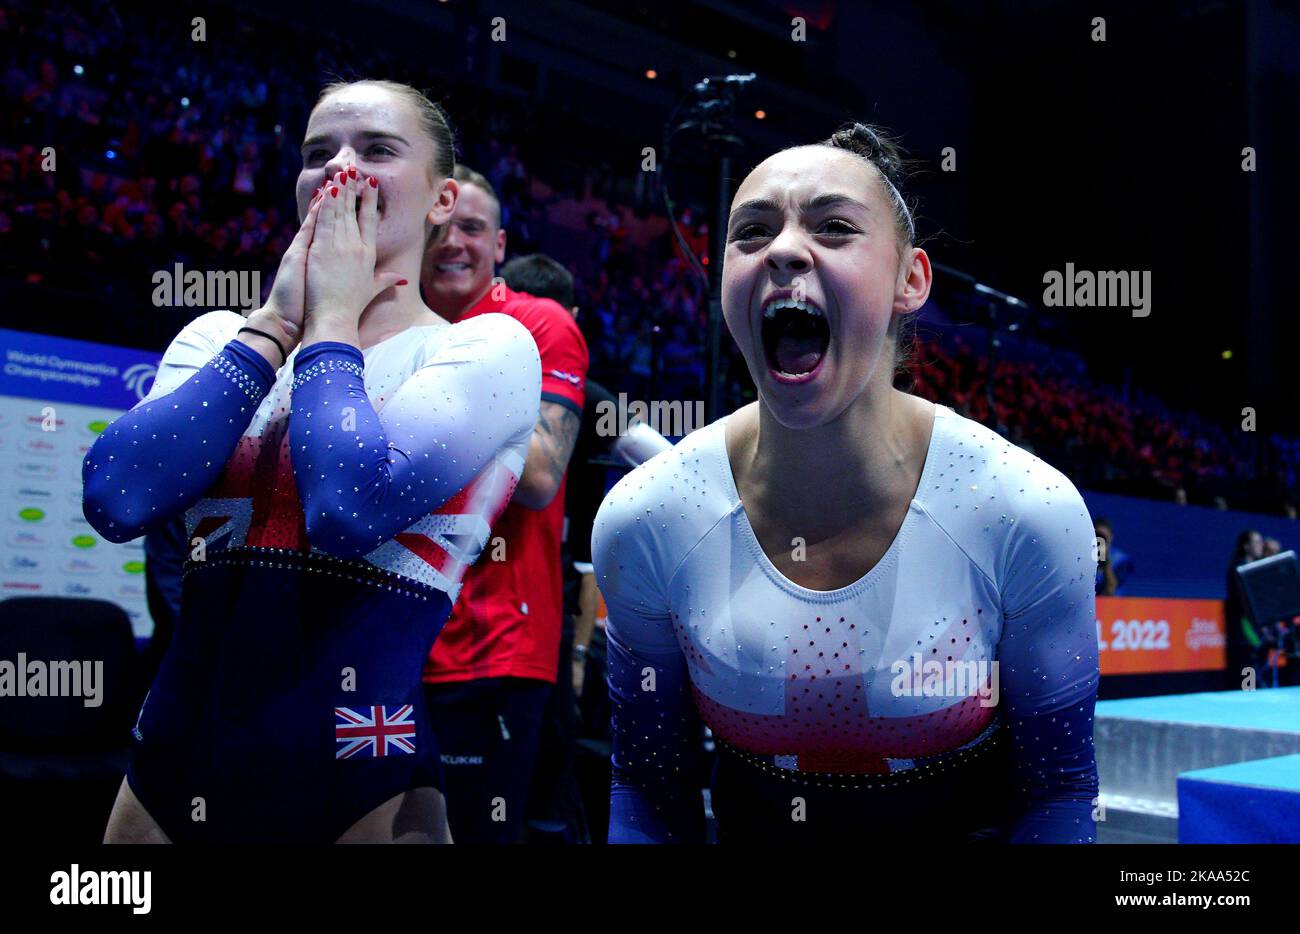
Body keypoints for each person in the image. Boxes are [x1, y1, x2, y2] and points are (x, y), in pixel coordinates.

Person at [593, 123, 1101, 844]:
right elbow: (646, 785)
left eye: (833, 227)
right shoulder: (649, 517)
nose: (785, 250)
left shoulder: (1024, 510)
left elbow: (1059, 791)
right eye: (752, 232)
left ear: (911, 280)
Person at [81, 79, 541, 843]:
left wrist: (330, 317)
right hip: (165, 771)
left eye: (378, 150)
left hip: (358, 780)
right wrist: (272, 325)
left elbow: (347, 507)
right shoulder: (218, 341)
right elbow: (116, 498)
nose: (341, 169)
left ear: (441, 199)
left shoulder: (483, 348)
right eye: (317, 153)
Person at [420, 168, 590, 843]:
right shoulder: (393, 324)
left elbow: (542, 474)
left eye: (471, 228)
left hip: (492, 650)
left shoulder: (537, 322)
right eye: (438, 226)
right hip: (389, 639)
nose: (452, 241)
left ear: (498, 243)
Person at [498, 253, 673, 842]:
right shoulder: (584, 392)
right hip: (535, 611)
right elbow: (667, 461)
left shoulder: (583, 395)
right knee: (546, 766)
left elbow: (664, 460)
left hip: (503, 603)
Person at [1093, 517, 1133, 596]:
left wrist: (1105, 559)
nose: (1101, 541)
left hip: (1113, 603)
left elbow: (1111, 590)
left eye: (1104, 537)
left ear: (1111, 537)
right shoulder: (1084, 557)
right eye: (1098, 537)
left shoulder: (1121, 559)